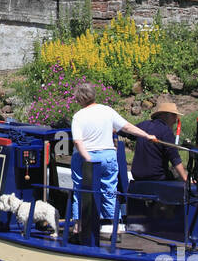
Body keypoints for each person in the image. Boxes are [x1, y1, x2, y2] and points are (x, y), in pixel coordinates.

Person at [69, 84, 162, 241]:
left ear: (79, 99)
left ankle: (78, 227)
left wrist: (88, 158)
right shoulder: (107, 111)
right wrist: (146, 135)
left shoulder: (78, 116)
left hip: (87, 156)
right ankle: (115, 229)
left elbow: (78, 142)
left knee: (80, 190)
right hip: (108, 156)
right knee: (109, 191)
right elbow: (126, 127)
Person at [130, 100, 189, 183]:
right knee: (178, 177)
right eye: (174, 115)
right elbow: (175, 158)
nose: (176, 120)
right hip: (156, 177)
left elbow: (124, 131)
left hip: (137, 176)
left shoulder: (143, 125)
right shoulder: (166, 131)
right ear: (167, 115)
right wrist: (185, 179)